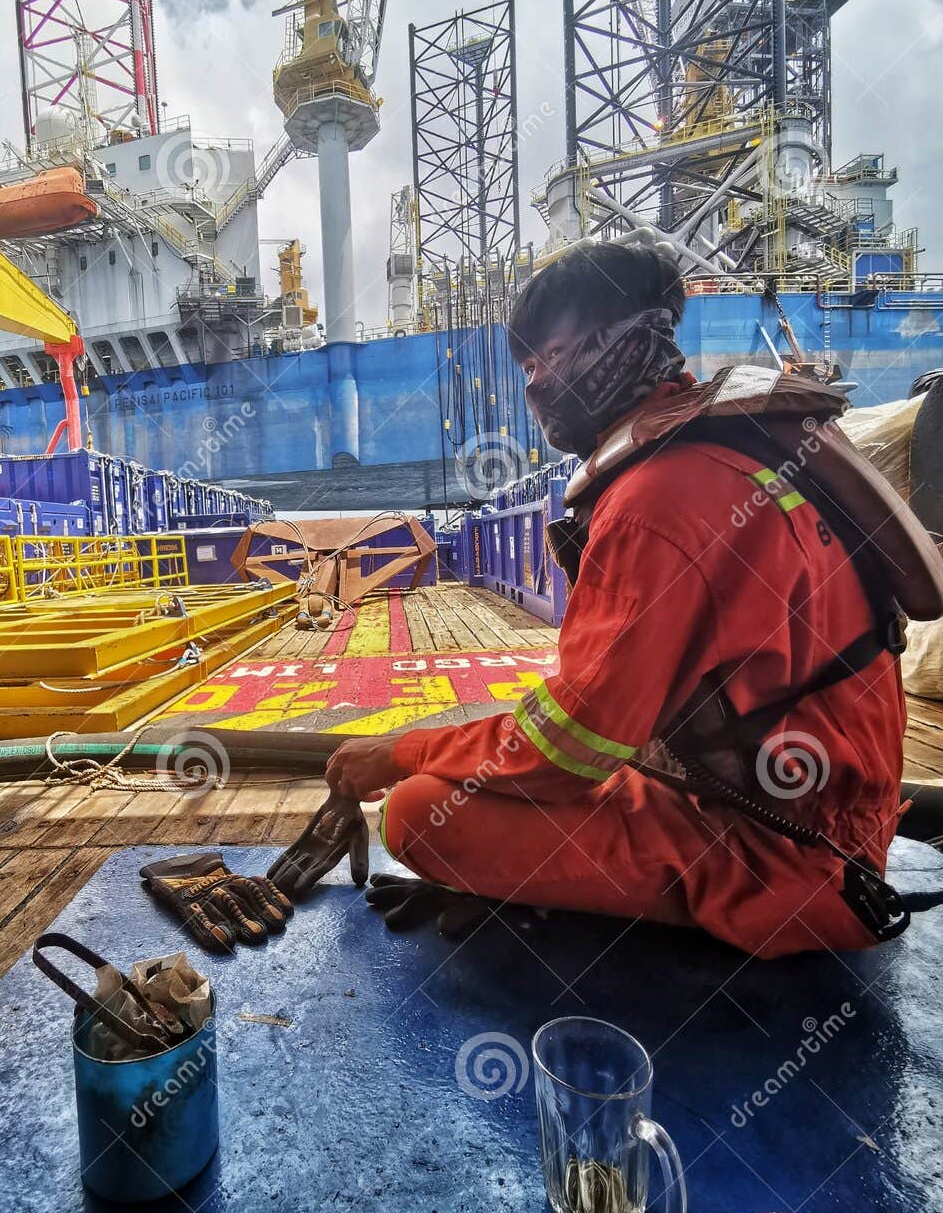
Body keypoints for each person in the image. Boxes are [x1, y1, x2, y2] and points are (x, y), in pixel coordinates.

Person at [324, 239, 911, 958]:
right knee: (474, 762)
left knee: (421, 813)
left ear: (625, 342)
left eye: (553, 356)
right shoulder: (733, 444)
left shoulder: (655, 497)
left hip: (791, 857)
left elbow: (570, 745)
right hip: (805, 804)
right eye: (528, 367)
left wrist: (403, 753)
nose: (538, 384)